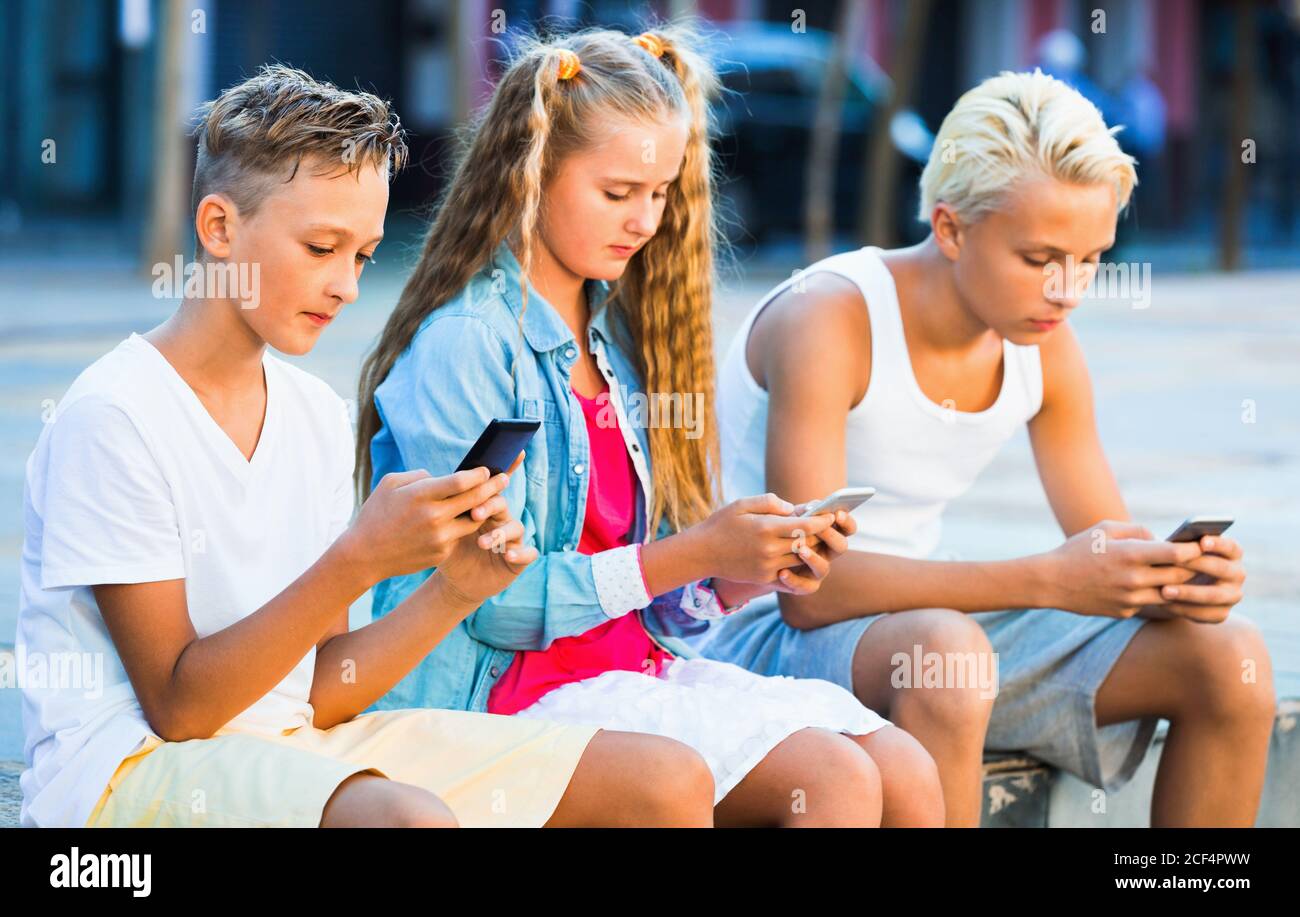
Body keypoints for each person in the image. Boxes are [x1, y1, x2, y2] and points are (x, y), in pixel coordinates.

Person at [17, 65, 716, 829]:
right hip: (132, 767)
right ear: (219, 228)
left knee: (666, 779)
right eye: (322, 247)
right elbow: (181, 708)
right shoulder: (115, 414)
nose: (348, 285)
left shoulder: (312, 412)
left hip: (293, 740)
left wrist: (456, 589)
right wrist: (359, 556)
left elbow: (324, 690)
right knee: (403, 816)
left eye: (364, 254)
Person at [356, 27, 943, 827]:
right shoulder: (469, 347)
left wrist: (742, 571)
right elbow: (488, 601)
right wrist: (693, 549)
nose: (644, 220)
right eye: (617, 191)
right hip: (497, 693)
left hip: (627, 672)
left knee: (904, 768)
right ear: (532, 176)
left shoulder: (616, 345)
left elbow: (650, 600)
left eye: (660, 192)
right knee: (834, 777)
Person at [698, 69, 1272, 827]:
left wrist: (1172, 577)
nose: (1068, 290)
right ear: (951, 229)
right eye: (1040, 259)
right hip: (750, 631)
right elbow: (812, 591)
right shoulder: (830, 317)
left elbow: (1099, 544)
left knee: (1229, 662)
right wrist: (1050, 580)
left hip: (927, 635)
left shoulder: (1045, 345)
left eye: (1091, 258)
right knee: (948, 652)